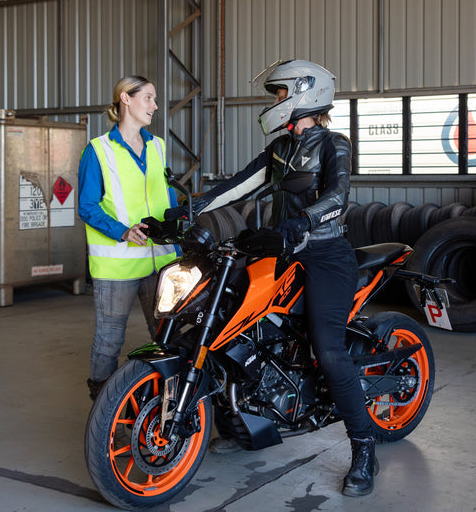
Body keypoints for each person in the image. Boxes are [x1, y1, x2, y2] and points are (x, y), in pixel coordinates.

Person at [171, 59, 378, 497]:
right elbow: (236, 185)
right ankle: (240, 418)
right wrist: (189, 207)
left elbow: (339, 197)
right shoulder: (281, 149)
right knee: (236, 321)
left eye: (281, 94)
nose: (276, 103)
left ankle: (364, 446)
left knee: (328, 348)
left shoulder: (333, 144)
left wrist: (304, 221)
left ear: (306, 95)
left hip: (325, 253)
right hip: (281, 248)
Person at [78, 75, 178, 401]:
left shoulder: (158, 146)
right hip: (118, 265)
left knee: (166, 335)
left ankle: (169, 408)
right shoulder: (98, 150)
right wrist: (122, 231)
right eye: (148, 98)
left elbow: (167, 199)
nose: (155, 105)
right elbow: (87, 206)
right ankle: (105, 414)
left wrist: (182, 237)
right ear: (125, 98)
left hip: (160, 260)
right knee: (109, 339)